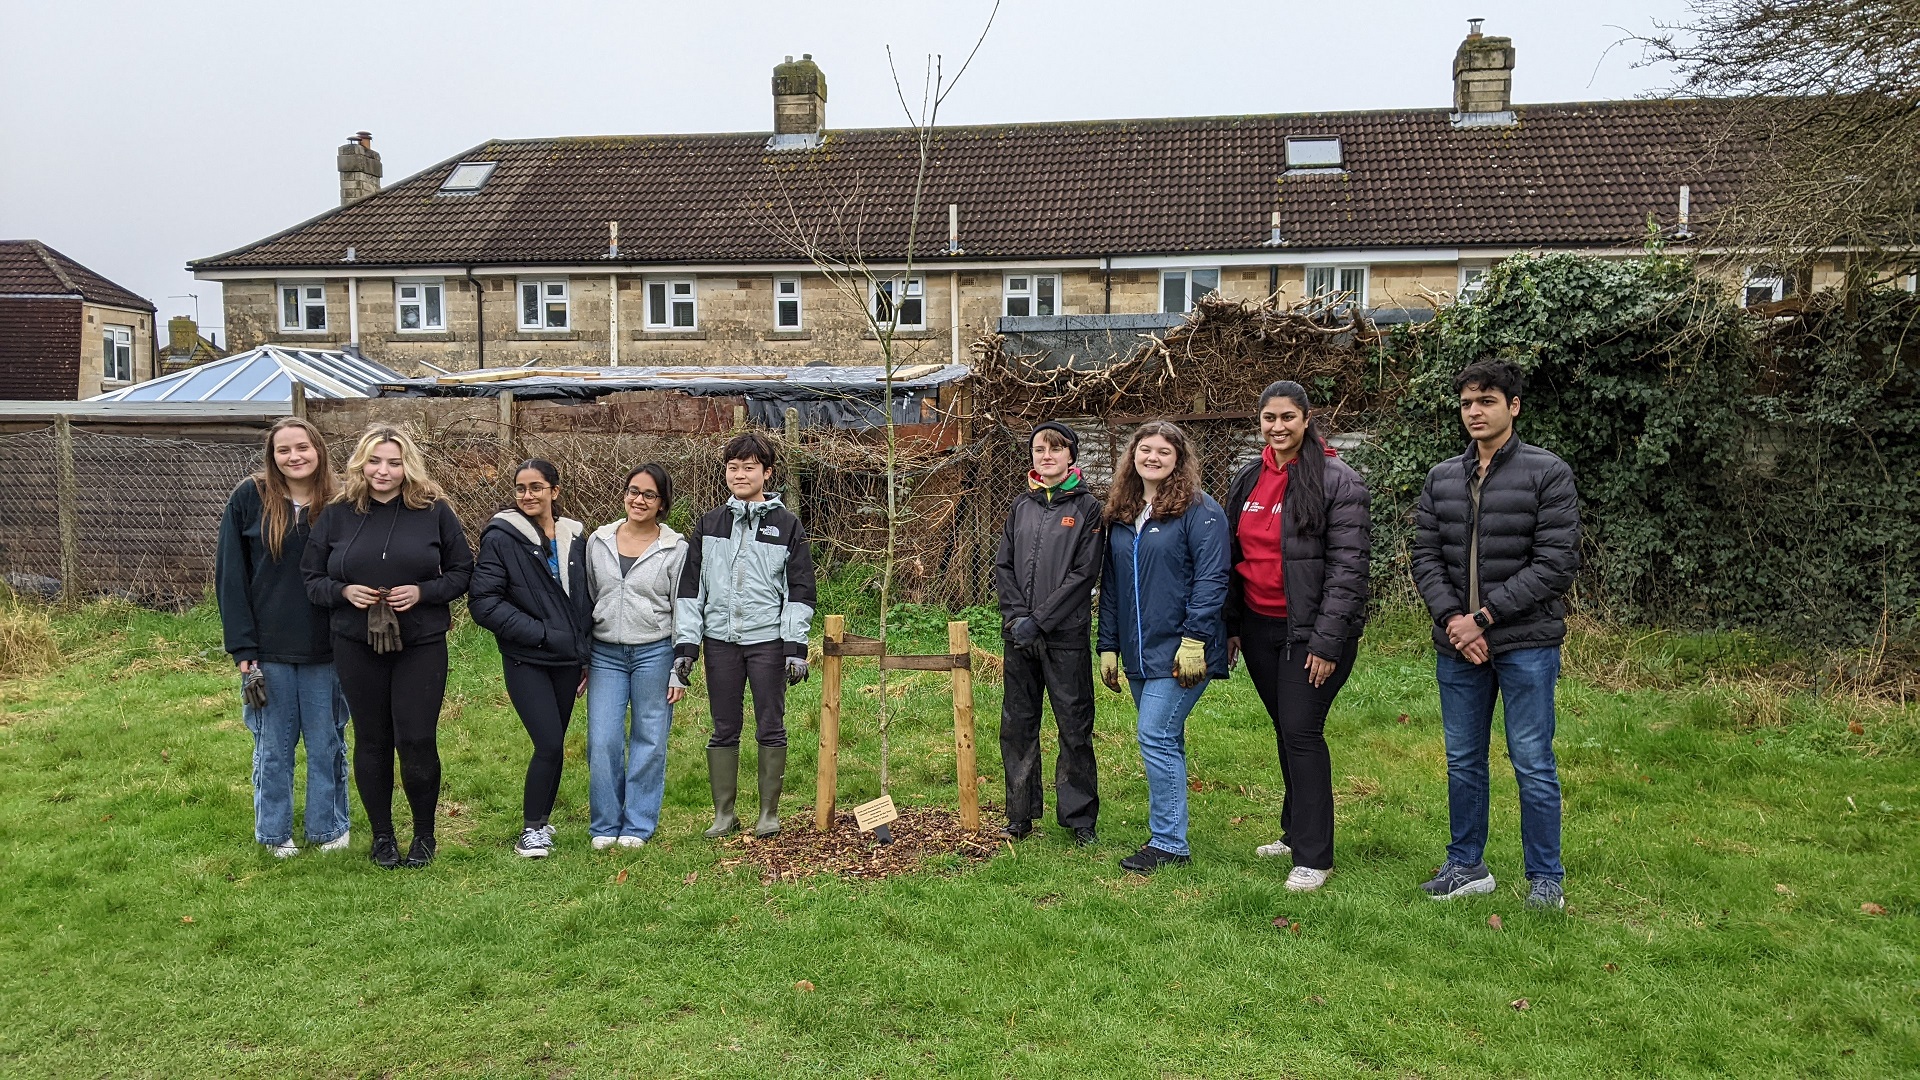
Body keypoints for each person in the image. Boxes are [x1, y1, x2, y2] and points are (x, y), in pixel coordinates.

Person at [1411, 360, 1580, 911]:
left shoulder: (1546, 472)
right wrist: (1453, 623)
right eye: (1466, 403)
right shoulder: (1442, 477)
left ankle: (1545, 876)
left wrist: (1482, 618)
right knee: (1463, 757)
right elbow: (1425, 558)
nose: (1475, 412)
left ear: (1514, 407)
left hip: (1526, 642)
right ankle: (1466, 864)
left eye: (1486, 401)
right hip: (1459, 646)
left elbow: (1555, 564)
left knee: (1531, 757)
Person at [1222, 382, 1371, 892]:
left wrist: (1326, 644)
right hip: (1260, 629)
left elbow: (1348, 572)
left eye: (1287, 417)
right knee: (1287, 729)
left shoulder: (1338, 481)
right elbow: (1232, 558)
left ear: (1307, 419)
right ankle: (1294, 831)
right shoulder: (1248, 478)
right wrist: (1232, 627)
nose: (1277, 427)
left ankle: (1314, 855)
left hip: (1310, 635)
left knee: (1303, 732)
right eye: (1268, 418)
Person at [303, 425, 472, 870]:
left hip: (421, 641)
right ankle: (382, 837)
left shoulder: (432, 510)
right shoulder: (337, 513)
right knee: (373, 739)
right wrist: (343, 592)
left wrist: (424, 592)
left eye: (394, 462)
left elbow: (462, 572)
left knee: (416, 737)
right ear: (361, 462)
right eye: (375, 461)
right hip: (356, 642)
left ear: (407, 466)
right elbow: (312, 578)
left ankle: (423, 835)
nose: (384, 470)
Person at [1097, 421, 1230, 874]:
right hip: (1137, 653)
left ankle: (1170, 843)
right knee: (1165, 739)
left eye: (1163, 451)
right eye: (1144, 449)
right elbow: (1112, 586)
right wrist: (1108, 646)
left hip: (1182, 652)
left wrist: (1194, 639)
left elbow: (1213, 579)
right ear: (1132, 455)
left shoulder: (1200, 510)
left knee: (1154, 735)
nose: (1152, 457)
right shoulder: (1122, 511)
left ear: (1179, 460)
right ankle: (1170, 832)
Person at [215, 417, 350, 858]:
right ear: (272, 457)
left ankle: (328, 828)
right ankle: (274, 834)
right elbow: (230, 577)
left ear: (319, 449)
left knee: (327, 742)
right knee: (272, 749)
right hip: (268, 651)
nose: (294, 457)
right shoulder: (249, 499)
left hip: (329, 647)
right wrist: (243, 647)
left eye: (302, 448)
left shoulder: (343, 501)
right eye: (283, 450)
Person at [674, 431, 817, 839]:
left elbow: (800, 590)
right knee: (723, 727)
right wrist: (687, 645)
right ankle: (725, 814)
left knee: (771, 725)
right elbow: (690, 589)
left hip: (768, 642)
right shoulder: (710, 524)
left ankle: (768, 814)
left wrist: (795, 648)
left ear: (767, 473)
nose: (740, 474)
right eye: (733, 467)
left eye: (749, 467)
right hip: (720, 642)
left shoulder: (787, 525)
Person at [469, 459, 592, 859]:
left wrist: (584, 652)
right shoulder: (501, 537)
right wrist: (540, 634)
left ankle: (542, 817)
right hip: (527, 658)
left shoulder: (576, 536)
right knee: (549, 742)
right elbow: (484, 603)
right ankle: (533, 829)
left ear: (554, 491)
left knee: (554, 744)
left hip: (567, 661)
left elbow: (585, 597)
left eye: (536, 487)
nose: (527, 495)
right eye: (521, 488)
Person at [994, 421, 1106, 846]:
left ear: (1071, 457)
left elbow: (1083, 575)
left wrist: (1040, 620)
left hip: (1064, 636)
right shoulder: (1021, 506)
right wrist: (1017, 618)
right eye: (1040, 448)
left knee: (1074, 727)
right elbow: (1004, 565)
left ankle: (1080, 820)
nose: (1046, 455)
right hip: (1019, 636)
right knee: (1018, 726)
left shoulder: (1088, 509)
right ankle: (1019, 814)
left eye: (1056, 449)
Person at [584, 464, 688, 849]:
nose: (638, 500)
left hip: (655, 652)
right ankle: (605, 825)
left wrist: (681, 665)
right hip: (605, 653)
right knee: (603, 740)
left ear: (662, 503)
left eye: (648, 494)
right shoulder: (599, 540)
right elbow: (588, 598)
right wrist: (582, 656)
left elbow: (684, 608)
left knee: (650, 738)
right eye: (632, 491)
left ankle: (638, 825)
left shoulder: (676, 549)